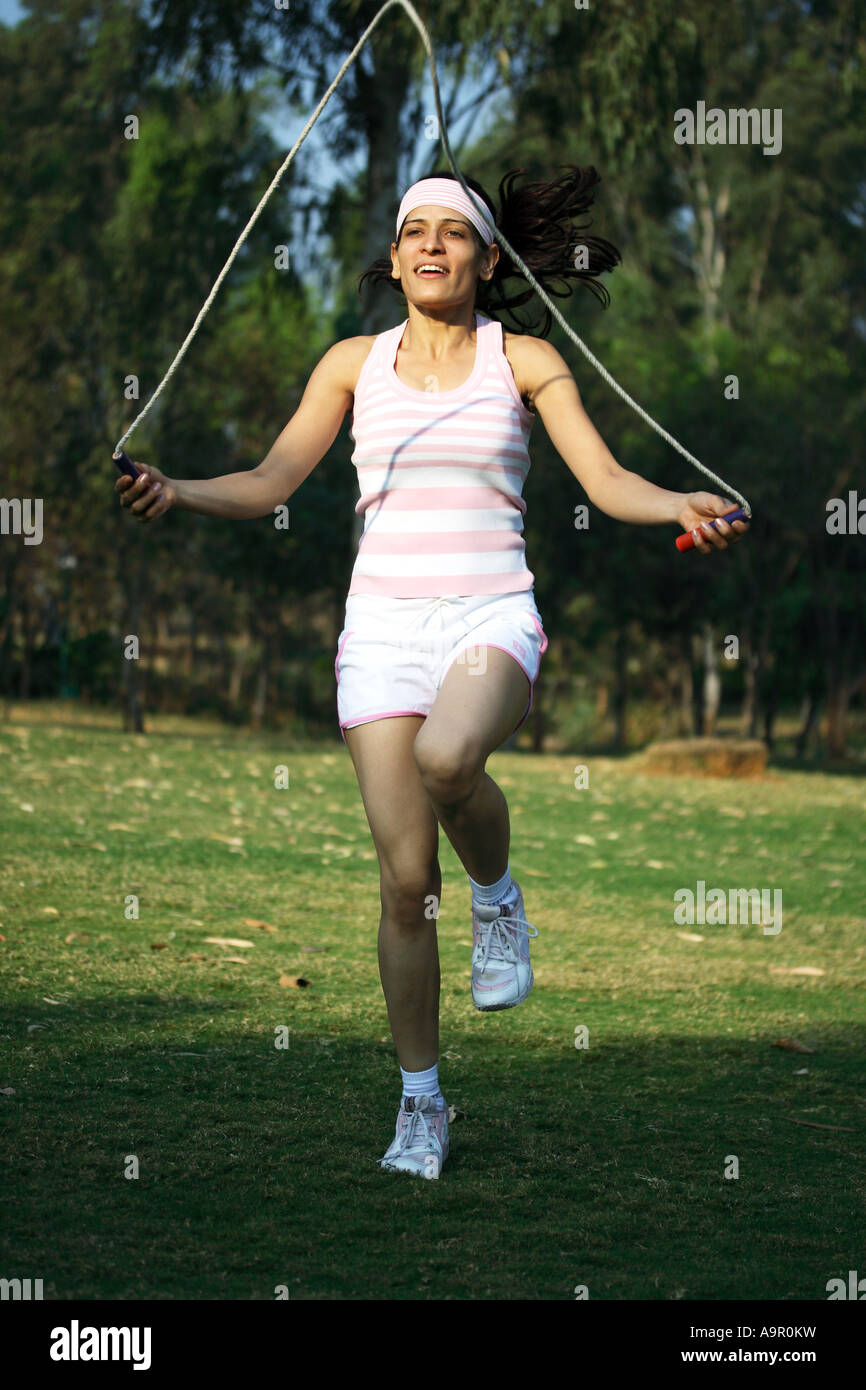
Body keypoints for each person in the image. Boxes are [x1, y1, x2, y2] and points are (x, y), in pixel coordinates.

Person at [116, 166, 749, 1180]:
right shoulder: (350, 364)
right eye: (415, 230)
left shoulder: (524, 360)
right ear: (396, 254)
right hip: (380, 631)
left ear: (486, 260)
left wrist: (677, 502)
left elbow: (605, 479)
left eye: (452, 233)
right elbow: (272, 479)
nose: (430, 245)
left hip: (488, 615)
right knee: (405, 884)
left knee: (448, 758)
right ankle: (421, 1103)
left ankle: (496, 899)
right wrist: (177, 489)